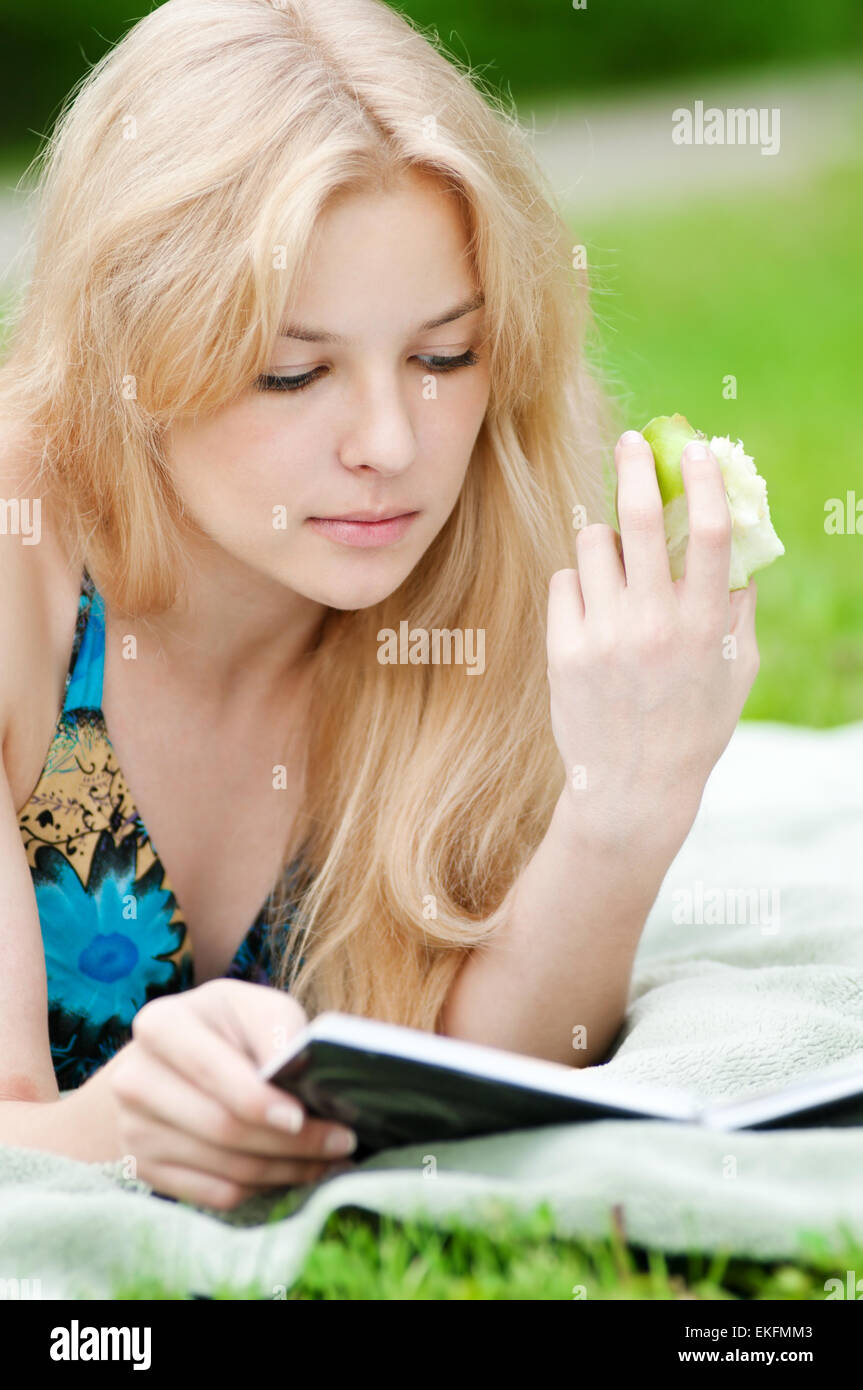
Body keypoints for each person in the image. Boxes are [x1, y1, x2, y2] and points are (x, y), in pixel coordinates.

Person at [0, 0, 758, 1210]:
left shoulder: (500, 537)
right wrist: (121, 1133)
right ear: (129, 356)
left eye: (443, 356)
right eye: (291, 371)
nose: (391, 443)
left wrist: (627, 801)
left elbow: (484, 1071)